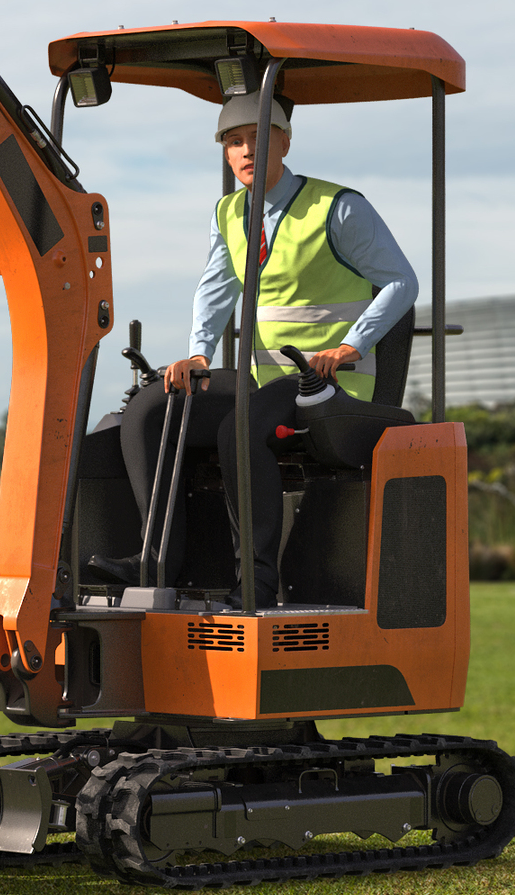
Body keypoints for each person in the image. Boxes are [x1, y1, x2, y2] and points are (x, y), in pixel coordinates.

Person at [85, 90, 418, 607]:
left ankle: (254, 585)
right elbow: (215, 289)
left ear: (283, 141)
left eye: (256, 138)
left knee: (238, 429)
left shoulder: (337, 208)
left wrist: (351, 347)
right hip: (265, 384)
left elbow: (402, 282)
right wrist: (198, 354)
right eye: (232, 142)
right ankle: (158, 562)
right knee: (152, 408)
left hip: (326, 387)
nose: (245, 151)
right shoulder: (229, 213)